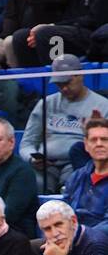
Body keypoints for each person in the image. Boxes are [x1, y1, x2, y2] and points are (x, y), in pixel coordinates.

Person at [20, 55, 108, 191]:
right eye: (59, 84)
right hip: (45, 166)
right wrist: (32, 158)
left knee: (72, 186)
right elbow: (27, 143)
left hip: (80, 164)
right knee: (30, 185)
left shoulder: (102, 105)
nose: (64, 88)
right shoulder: (46, 104)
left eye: (67, 82)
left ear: (81, 75)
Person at [62, 116, 108, 228]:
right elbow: (64, 212)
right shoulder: (76, 177)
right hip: (72, 236)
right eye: (93, 140)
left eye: (104, 139)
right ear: (86, 145)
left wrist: (80, 235)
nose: (99, 144)